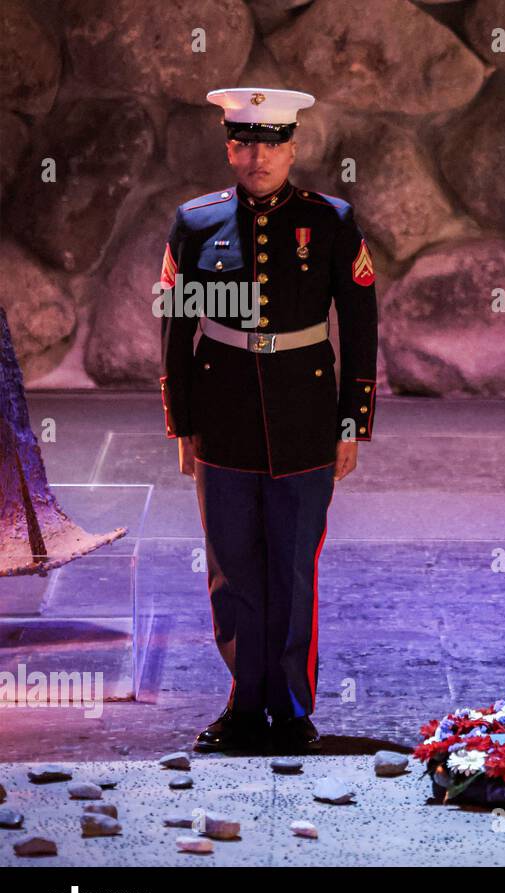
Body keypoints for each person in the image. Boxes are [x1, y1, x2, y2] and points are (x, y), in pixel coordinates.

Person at [158, 87, 379, 754]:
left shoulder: (332, 220)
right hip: (222, 414)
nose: (258, 156)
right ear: (229, 147)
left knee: (291, 565)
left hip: (306, 415)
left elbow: (361, 328)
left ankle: (290, 709)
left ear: (293, 148)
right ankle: (243, 704)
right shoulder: (195, 223)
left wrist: (352, 424)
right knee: (231, 569)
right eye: (245, 143)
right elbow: (175, 326)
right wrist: (181, 423)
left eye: (272, 143)